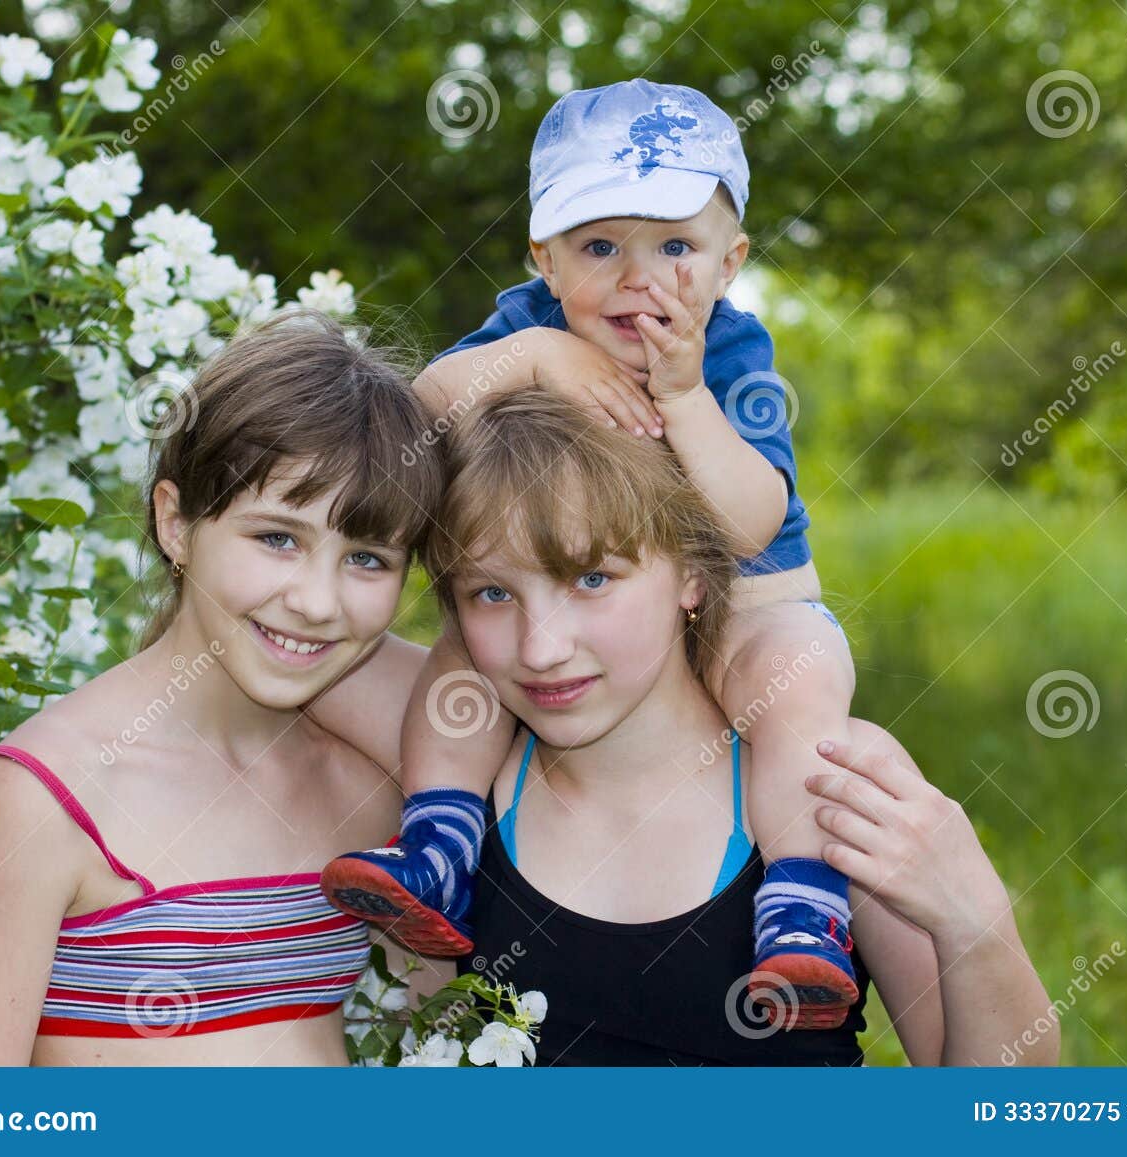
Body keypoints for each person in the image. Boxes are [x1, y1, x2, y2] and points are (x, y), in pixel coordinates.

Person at [323, 79, 867, 1027]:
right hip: (574, 611)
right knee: (463, 661)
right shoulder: (530, 322)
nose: (637, 278)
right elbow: (418, 421)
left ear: (729, 262)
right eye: (600, 246)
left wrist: (687, 399)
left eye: (676, 248)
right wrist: (533, 357)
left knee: (801, 684)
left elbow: (744, 525)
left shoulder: (733, 353)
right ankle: (440, 841)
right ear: (545, 255)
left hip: (749, 607)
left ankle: (803, 901)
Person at [426, 389, 1057, 1064]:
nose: (541, 647)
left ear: (692, 573)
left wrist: (978, 924)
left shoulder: (832, 780)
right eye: (492, 593)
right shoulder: (448, 827)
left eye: (591, 578)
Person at [0, 310, 445, 1065]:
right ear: (176, 524)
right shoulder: (44, 795)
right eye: (277, 538)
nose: (320, 602)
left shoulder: (374, 777)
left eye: (367, 558)